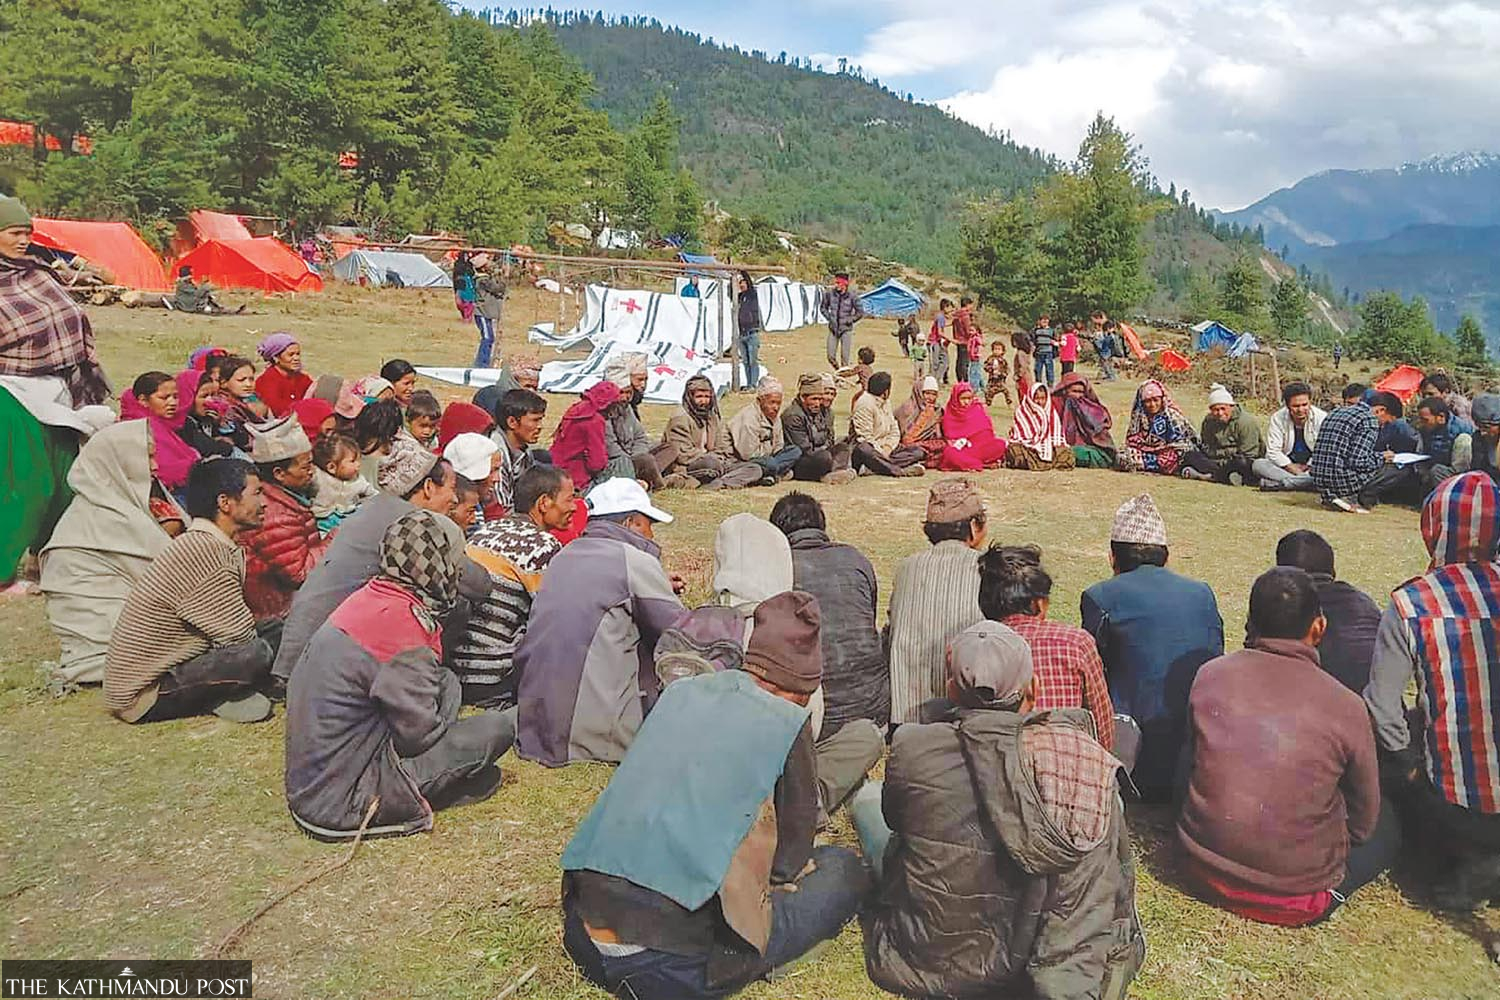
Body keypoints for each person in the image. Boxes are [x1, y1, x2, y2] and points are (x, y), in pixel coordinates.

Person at [560, 593, 869, 1000]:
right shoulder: (788, 721)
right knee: (842, 869)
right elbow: (789, 863)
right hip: (670, 965)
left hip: (584, 933)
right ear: (803, 691)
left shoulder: (680, 692)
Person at [856, 621, 1145, 999]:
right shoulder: (1074, 760)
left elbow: (897, 819)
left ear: (951, 689)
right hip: (1022, 959)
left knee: (865, 802)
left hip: (925, 957)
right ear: (1033, 690)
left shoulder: (913, 746)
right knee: (1106, 812)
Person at [1179, 567, 1393, 925]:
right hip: (1295, 897)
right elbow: (1364, 824)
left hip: (1199, 868)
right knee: (1391, 823)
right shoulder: (1348, 706)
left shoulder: (1210, 674)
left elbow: (1193, 766)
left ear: (1250, 621)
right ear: (1319, 627)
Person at [284, 509, 516, 841]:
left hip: (313, 787)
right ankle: (411, 792)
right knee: (495, 728)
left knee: (447, 683)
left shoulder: (372, 596)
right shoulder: (404, 627)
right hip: (344, 801)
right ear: (442, 565)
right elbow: (419, 737)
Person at [1365, 472, 1500, 909]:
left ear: (1433, 527)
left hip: (1459, 811)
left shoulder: (1411, 603)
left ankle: (1469, 863)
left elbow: (1382, 708)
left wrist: (1408, 766)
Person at [270, 437, 473, 688]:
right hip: (322, 660)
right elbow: (475, 583)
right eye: (452, 488)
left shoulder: (376, 506)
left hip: (304, 650)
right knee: (458, 604)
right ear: (429, 487)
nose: (455, 499)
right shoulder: (410, 523)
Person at [516, 478, 685, 766]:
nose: (652, 534)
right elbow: (680, 632)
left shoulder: (562, 555)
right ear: (631, 523)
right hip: (590, 740)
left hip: (535, 731)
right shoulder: (634, 561)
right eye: (648, 524)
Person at [104, 458, 276, 724]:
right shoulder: (203, 551)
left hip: (181, 661)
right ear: (225, 503)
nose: (263, 503)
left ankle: (232, 689)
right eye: (256, 493)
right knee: (257, 653)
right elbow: (238, 637)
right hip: (145, 694)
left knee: (276, 628)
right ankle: (223, 694)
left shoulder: (211, 542)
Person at [1081, 494, 1224, 801]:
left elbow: (1089, 673)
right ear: (1167, 556)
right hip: (1198, 756)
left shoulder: (1100, 596)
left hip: (1133, 761)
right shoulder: (1202, 593)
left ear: (1112, 558)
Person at [39, 421, 184, 686]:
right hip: (107, 640)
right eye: (147, 457)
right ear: (120, 463)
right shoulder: (108, 518)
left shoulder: (117, 506)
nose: (154, 466)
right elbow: (175, 580)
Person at [770, 492, 887, 808]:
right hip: (872, 710)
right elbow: (868, 619)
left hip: (813, 718)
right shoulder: (856, 559)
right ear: (822, 526)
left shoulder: (775, 569)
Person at [450, 465, 575, 708]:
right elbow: (557, 620)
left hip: (456, 671)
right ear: (544, 503)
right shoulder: (542, 547)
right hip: (494, 677)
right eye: (569, 499)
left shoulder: (484, 531)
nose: (573, 507)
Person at [977, 545, 1115, 750]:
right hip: (1067, 766)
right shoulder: (1076, 643)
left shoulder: (971, 647)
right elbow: (1103, 728)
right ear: (1039, 604)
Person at [886, 478, 988, 723]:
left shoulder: (907, 567)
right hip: (963, 713)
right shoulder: (985, 566)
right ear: (974, 527)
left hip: (906, 712)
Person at [240, 415, 328, 623]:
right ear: (279, 473)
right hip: (277, 612)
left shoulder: (286, 497)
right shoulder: (273, 515)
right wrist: (338, 537)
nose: (312, 471)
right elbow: (300, 573)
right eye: (305, 467)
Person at [1275, 530, 1381, 694]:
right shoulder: (1364, 603)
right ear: (1332, 571)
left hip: (1323, 706)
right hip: (1380, 707)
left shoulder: (1286, 607)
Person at [658, 375, 760, 489]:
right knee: (710, 465)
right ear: (690, 397)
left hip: (715, 462)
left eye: (707, 397)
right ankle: (714, 479)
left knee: (754, 468)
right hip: (690, 465)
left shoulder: (712, 416)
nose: (704, 401)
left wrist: (720, 457)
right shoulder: (680, 418)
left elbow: (721, 445)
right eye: (699, 397)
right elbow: (682, 454)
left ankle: (720, 483)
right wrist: (709, 457)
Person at [119, 371, 199, 495]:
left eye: (175, 397)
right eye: (164, 398)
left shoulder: (165, 425)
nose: (172, 403)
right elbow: (164, 470)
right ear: (143, 400)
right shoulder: (139, 429)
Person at [1310, 392, 1382, 513]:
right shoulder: (1369, 419)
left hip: (1318, 478)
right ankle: (1354, 499)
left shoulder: (1335, 412)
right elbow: (1358, 462)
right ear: (1381, 410)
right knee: (1391, 468)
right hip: (1342, 480)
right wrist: (1382, 457)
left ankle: (1331, 496)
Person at [602, 352, 664, 490]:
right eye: (621, 392)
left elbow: (639, 436)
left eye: (628, 392)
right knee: (647, 461)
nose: (625, 397)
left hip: (631, 456)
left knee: (668, 448)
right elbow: (610, 446)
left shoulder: (627, 407)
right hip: (614, 462)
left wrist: (638, 455)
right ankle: (656, 482)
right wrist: (630, 462)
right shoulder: (602, 413)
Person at [724, 375, 801, 483]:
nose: (776, 407)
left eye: (778, 403)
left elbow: (778, 446)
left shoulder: (774, 417)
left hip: (769, 457)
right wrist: (769, 458)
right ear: (760, 400)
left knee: (795, 451)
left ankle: (770, 474)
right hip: (742, 460)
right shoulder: (748, 419)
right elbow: (747, 454)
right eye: (772, 402)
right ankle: (773, 473)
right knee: (771, 464)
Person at [782, 373, 855, 485]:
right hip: (802, 460)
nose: (817, 403)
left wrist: (827, 448)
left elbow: (829, 438)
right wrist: (825, 451)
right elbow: (804, 448)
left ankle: (833, 473)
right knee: (823, 458)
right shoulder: (793, 416)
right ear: (803, 398)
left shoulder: (821, 411)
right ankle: (831, 473)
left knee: (843, 447)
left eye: (820, 399)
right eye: (814, 399)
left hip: (821, 451)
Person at [1117, 379, 1200, 477]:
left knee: (1177, 455)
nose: (1152, 405)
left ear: (1162, 399)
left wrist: (1162, 449)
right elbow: (1132, 440)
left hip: (1169, 453)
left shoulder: (1172, 416)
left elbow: (1181, 444)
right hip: (1147, 453)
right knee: (1123, 456)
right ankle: (1153, 465)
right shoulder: (1139, 418)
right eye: (1148, 401)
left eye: (1156, 400)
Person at [850, 371, 926, 477]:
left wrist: (888, 448)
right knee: (864, 449)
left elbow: (894, 429)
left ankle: (877, 467)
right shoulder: (864, 404)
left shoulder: (886, 402)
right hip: (871, 449)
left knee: (918, 452)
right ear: (886, 391)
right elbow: (865, 437)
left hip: (887, 449)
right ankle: (899, 471)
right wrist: (881, 452)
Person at [1255, 382, 1327, 492]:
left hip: (1313, 467)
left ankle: (1283, 484)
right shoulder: (1278, 418)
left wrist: (1309, 467)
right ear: (1288, 406)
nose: (1301, 410)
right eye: (1296, 406)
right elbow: (1273, 452)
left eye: (1304, 405)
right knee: (1258, 464)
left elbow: (1323, 451)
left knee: (1326, 471)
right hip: (1287, 468)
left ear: (1310, 402)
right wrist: (1293, 469)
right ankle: (1305, 484)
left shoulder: (1321, 418)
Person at [551, 381, 621, 491]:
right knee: (621, 465)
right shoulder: (594, 420)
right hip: (576, 479)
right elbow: (597, 463)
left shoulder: (575, 409)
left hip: (555, 469)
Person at [1188, 383, 1264, 485]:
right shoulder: (1209, 421)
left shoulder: (1246, 422)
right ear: (1211, 410)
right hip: (1216, 461)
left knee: (1241, 463)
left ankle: (1209, 476)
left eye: (1223, 408)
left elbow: (1249, 454)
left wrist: (1223, 456)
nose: (1220, 413)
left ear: (1231, 406)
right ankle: (1225, 477)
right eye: (1216, 410)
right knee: (1191, 455)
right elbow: (1206, 446)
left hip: (1239, 461)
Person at [1003, 371, 1076, 471]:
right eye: (1036, 398)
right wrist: (1036, 443)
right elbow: (1021, 435)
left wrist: (1047, 445)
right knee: (1014, 451)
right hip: (1028, 448)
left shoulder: (1051, 411)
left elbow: (1057, 436)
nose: (1040, 402)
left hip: (1049, 447)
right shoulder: (1022, 411)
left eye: (1043, 398)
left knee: (1067, 453)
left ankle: (1045, 461)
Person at [493, 388, 546, 515]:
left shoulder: (524, 451)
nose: (540, 427)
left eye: (541, 420)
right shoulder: (495, 454)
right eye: (535, 420)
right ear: (512, 422)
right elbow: (502, 510)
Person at [310, 432, 375, 534]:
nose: (358, 465)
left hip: (349, 518)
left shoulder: (358, 480)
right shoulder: (318, 477)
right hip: (323, 520)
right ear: (331, 467)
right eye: (352, 461)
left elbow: (373, 494)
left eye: (358, 460)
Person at [1051, 371, 1117, 468]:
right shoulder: (1055, 405)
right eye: (1074, 391)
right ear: (1065, 391)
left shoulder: (1092, 410)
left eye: (1081, 392)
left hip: (1087, 449)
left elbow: (1103, 441)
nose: (1078, 396)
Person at [939, 382, 1007, 471]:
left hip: (982, 449)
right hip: (965, 450)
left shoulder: (977, 409)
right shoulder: (950, 414)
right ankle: (979, 464)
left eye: (969, 398)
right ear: (956, 398)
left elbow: (988, 434)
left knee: (1000, 444)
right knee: (949, 453)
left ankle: (971, 463)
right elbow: (951, 440)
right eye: (963, 398)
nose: (966, 402)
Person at [1414, 395, 1472, 491]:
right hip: (1434, 468)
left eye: (1425, 420)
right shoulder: (1426, 431)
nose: (1421, 423)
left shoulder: (1461, 432)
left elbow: (1461, 468)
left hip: (1457, 477)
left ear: (1441, 417)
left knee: (1436, 471)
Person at [174, 368, 234, 460]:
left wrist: (221, 423)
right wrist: (221, 443)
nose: (210, 400)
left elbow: (240, 439)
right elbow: (208, 448)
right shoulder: (184, 424)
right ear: (188, 396)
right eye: (204, 396)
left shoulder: (207, 418)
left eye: (213, 395)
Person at [892, 375, 946, 469]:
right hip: (905, 447)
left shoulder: (937, 411)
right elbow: (905, 438)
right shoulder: (908, 408)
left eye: (934, 394)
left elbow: (939, 435)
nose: (930, 397)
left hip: (926, 446)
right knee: (918, 453)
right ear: (919, 392)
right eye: (927, 393)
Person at [253, 333, 311, 417]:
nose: (296, 358)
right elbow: (278, 411)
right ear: (276, 357)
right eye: (291, 355)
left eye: (298, 354)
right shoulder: (266, 381)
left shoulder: (302, 379)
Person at [824, 271, 864, 369]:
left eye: (838, 283)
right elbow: (823, 308)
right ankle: (838, 370)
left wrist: (850, 320)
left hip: (846, 329)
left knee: (845, 358)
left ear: (844, 284)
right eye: (835, 283)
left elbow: (860, 312)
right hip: (833, 328)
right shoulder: (829, 294)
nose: (836, 285)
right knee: (830, 356)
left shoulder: (853, 296)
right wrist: (829, 317)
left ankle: (842, 377)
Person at [473, 264, 507, 368]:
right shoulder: (482, 280)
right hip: (482, 313)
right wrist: (504, 277)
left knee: (489, 338)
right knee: (487, 338)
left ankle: (484, 361)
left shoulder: (486, 279)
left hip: (487, 313)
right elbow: (497, 289)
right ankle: (482, 363)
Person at [735, 270, 763, 387]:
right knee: (746, 362)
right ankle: (748, 384)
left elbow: (750, 283)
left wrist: (741, 271)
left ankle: (753, 384)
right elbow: (730, 292)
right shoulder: (740, 297)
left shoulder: (752, 294)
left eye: (744, 283)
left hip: (752, 332)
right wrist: (733, 279)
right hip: (742, 334)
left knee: (752, 361)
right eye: (740, 284)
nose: (742, 285)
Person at [1470, 393, 1500, 484]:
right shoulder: (1478, 439)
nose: (1483, 432)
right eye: (1479, 427)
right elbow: (1477, 471)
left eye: (1487, 427)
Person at [927, 298, 952, 384]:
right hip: (934, 342)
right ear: (945, 307)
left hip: (936, 341)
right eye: (949, 308)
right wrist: (951, 340)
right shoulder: (941, 317)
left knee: (942, 362)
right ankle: (933, 381)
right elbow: (940, 332)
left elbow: (941, 326)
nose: (951, 310)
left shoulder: (940, 316)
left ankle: (935, 380)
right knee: (937, 363)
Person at [982, 339, 1011, 406]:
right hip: (992, 379)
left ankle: (1009, 402)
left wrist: (1003, 374)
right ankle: (988, 402)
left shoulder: (1003, 360)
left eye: (999, 349)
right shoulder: (990, 359)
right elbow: (985, 366)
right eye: (995, 349)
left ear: (1002, 351)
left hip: (1000, 380)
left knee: (1006, 391)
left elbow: (1007, 369)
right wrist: (990, 369)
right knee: (988, 391)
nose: (997, 351)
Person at [1030, 313, 1056, 386]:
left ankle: (1050, 384)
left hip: (1048, 352)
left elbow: (1055, 340)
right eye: (1043, 320)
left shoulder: (1051, 331)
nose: (1044, 321)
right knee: (1037, 369)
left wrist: (1055, 344)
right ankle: (1038, 383)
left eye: (1046, 320)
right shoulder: (1035, 330)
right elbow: (1032, 339)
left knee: (1049, 370)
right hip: (1039, 353)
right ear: (1040, 321)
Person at [453, 251, 477, 321]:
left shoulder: (469, 264)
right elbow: (456, 274)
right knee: (459, 302)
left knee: (469, 302)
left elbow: (472, 273)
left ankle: (468, 316)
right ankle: (464, 313)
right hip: (460, 284)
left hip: (469, 285)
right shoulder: (457, 264)